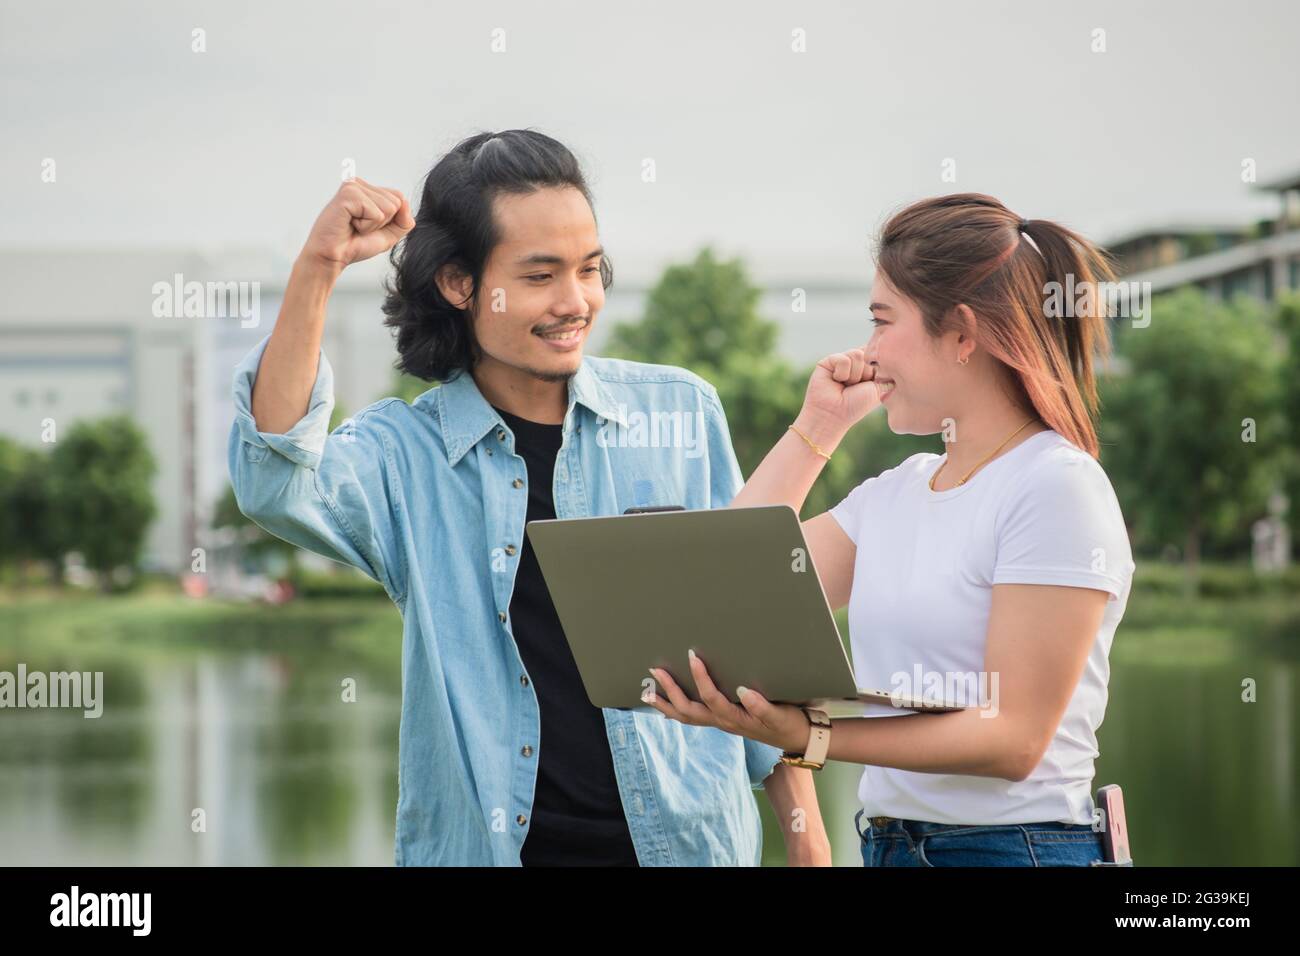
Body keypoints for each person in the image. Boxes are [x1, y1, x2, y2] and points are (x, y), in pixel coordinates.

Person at [228, 129, 831, 866]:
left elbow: (756, 649)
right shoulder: (403, 456)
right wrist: (319, 267)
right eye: (541, 276)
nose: (576, 302)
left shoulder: (680, 414)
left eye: (589, 269)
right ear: (459, 282)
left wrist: (807, 841)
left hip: (686, 848)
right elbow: (273, 479)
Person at [645, 193, 1137, 867]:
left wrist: (812, 736)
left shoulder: (1054, 486)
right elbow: (721, 594)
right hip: (887, 844)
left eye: (882, 321)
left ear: (962, 334)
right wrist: (817, 428)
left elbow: (1014, 738)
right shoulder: (895, 494)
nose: (868, 351)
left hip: (1015, 852)